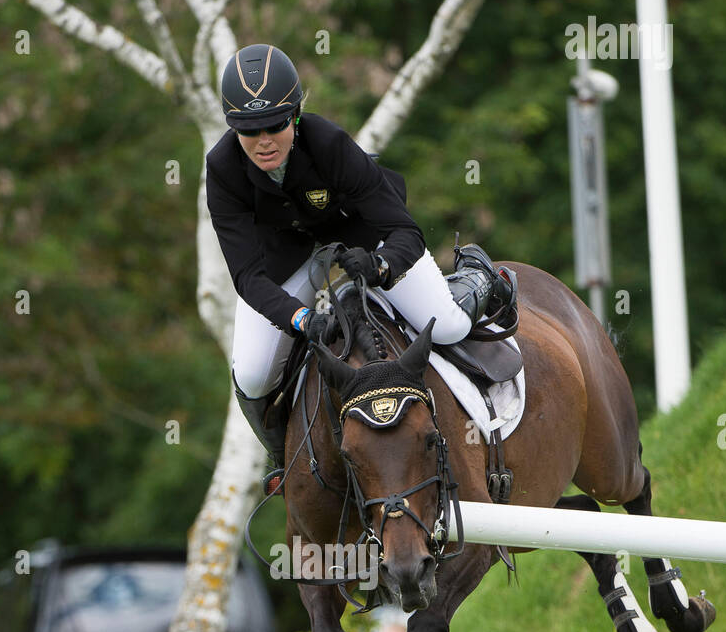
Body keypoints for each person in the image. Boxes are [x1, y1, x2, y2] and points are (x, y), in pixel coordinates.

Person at [206, 42, 514, 492]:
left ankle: (479, 278)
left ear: (294, 115)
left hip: (362, 236)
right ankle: (284, 460)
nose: (264, 141)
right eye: (249, 130)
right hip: (286, 256)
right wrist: (300, 319)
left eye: (274, 124)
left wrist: (381, 267)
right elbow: (247, 276)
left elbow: (406, 231)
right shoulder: (222, 168)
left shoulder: (329, 144)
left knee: (446, 326)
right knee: (251, 374)